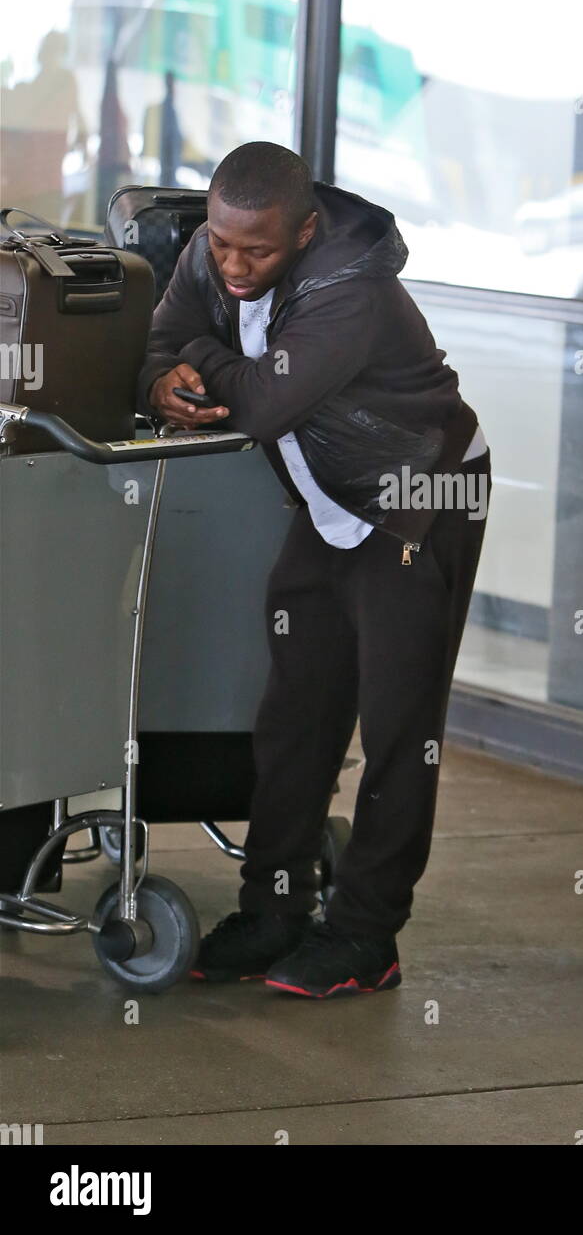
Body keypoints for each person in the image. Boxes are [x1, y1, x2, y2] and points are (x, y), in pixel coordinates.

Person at [136, 141, 490, 998]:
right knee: (294, 715)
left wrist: (208, 362)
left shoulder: (350, 287)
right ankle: (274, 910)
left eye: (255, 251)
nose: (232, 265)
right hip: (330, 502)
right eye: (220, 245)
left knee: (401, 727)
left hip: (414, 498)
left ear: (305, 229)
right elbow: (160, 340)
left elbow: (261, 403)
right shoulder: (212, 247)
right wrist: (162, 382)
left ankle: (369, 935)